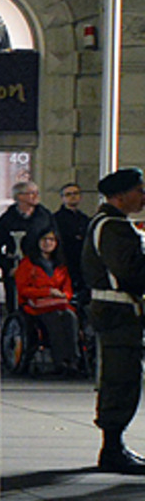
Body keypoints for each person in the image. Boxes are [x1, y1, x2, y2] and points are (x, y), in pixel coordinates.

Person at [82, 167, 145, 475]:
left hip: (114, 311)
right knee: (121, 376)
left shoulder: (107, 223)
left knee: (122, 374)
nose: (143, 196)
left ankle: (115, 445)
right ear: (121, 195)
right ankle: (112, 447)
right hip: (118, 312)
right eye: (139, 191)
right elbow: (130, 272)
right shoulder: (114, 227)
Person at [14, 229, 82, 375]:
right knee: (54, 319)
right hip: (36, 305)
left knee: (70, 318)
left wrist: (65, 295)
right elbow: (23, 289)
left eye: (51, 240)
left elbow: (67, 287)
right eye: (44, 240)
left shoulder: (60, 265)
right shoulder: (28, 263)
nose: (48, 243)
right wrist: (48, 292)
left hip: (59, 303)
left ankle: (74, 360)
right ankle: (61, 361)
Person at [0, 179, 53, 271]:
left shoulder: (45, 217)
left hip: (41, 270)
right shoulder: (7, 219)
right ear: (19, 196)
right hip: (16, 269)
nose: (36, 196)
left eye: (37, 193)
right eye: (31, 193)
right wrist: (6, 265)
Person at [55, 180, 91, 297]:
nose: (73, 197)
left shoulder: (85, 219)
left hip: (82, 262)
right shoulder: (56, 219)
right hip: (65, 260)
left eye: (75, 193)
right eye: (68, 194)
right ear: (62, 198)